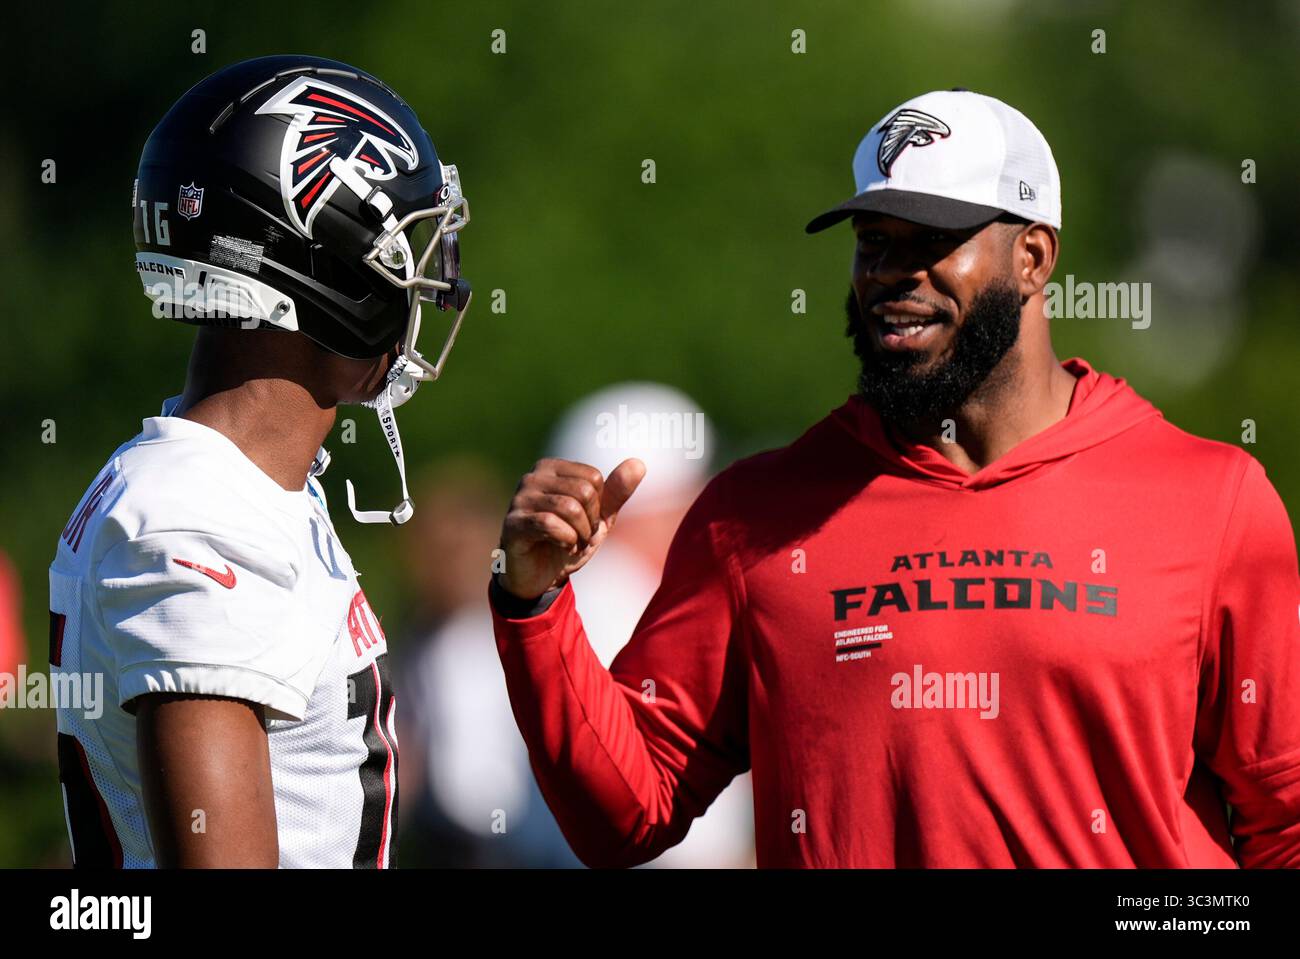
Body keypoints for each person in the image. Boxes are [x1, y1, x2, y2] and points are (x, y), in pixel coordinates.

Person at [488, 89, 1300, 867]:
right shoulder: (755, 515)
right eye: (874, 241)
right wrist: (533, 604)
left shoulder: (1210, 498)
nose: (890, 274)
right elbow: (622, 814)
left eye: (929, 241)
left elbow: (1286, 823)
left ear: (1033, 256)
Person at [49, 55, 472, 868]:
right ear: (321, 263)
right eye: (400, 250)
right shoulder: (200, 519)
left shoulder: (232, 486)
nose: (429, 284)